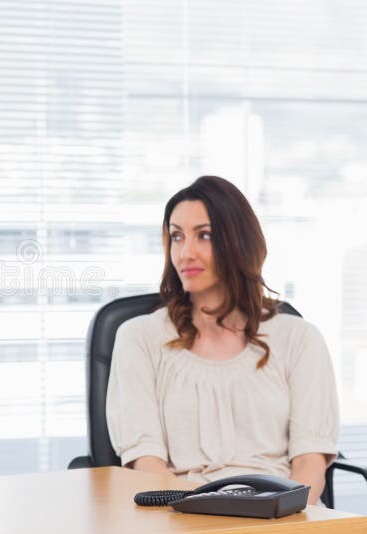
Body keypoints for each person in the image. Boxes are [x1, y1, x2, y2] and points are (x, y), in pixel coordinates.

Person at [106, 175, 339, 505]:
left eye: (204, 236)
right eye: (176, 237)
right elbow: (147, 464)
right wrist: (212, 517)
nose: (185, 252)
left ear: (238, 242)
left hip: (283, 514)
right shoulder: (138, 338)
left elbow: (309, 464)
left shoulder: (300, 339)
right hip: (182, 514)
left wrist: (273, 517)